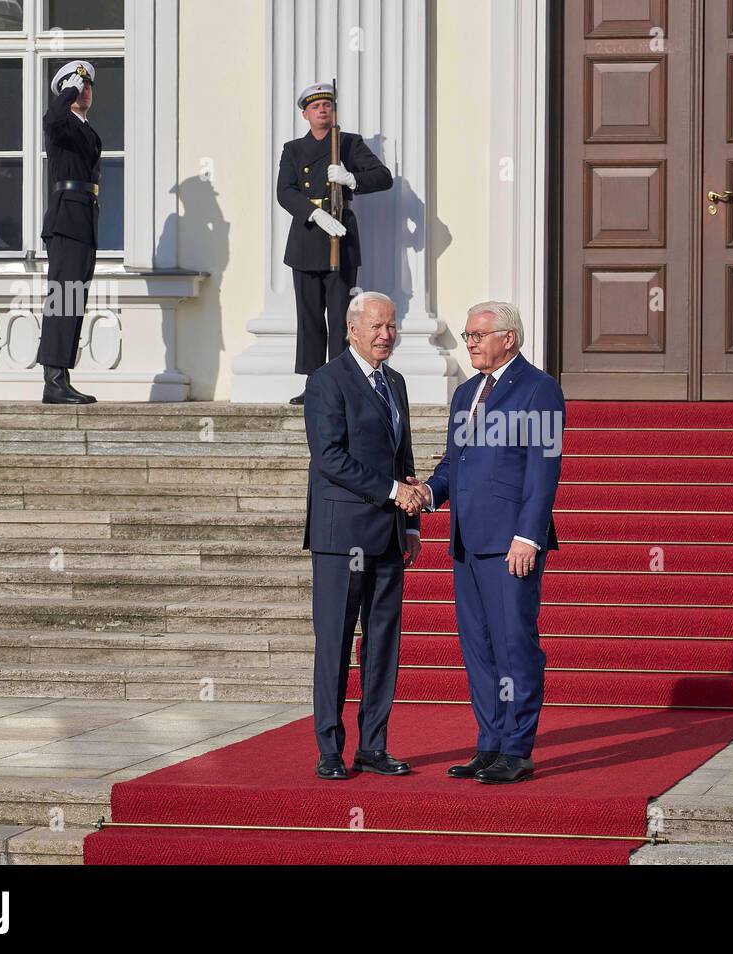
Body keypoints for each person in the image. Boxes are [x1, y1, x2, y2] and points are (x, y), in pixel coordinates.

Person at [411, 301, 565, 784]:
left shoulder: (539, 389)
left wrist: (528, 536)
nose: (470, 343)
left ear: (508, 338)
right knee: (478, 647)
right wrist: (428, 494)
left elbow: (544, 470)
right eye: (468, 335)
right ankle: (490, 742)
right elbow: (452, 464)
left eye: (478, 335)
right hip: (466, 540)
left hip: (510, 542)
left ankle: (517, 749)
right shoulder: (465, 393)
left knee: (514, 645)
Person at [302, 291, 426, 780]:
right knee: (335, 643)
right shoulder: (326, 381)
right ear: (352, 329)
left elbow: (403, 456)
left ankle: (373, 746)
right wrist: (394, 491)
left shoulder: (394, 382)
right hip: (342, 537)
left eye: (391, 326)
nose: (386, 335)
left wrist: (410, 523)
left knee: (383, 645)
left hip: (389, 535)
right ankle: (329, 750)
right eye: (377, 326)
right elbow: (329, 457)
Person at [277, 83, 394, 404]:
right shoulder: (293, 149)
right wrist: (315, 214)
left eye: (327, 105)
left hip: (340, 237)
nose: (322, 110)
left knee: (343, 315)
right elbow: (285, 191)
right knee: (309, 315)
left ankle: (345, 381)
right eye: (315, 106)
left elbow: (383, 177)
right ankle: (315, 383)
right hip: (307, 236)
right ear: (305, 114)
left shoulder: (348, 143)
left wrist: (351, 178)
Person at [39, 60, 102, 405]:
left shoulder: (86, 130)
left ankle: (61, 376)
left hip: (84, 220)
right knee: (62, 299)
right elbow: (51, 119)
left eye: (88, 86)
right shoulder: (60, 124)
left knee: (73, 300)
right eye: (79, 87)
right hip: (66, 220)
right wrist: (68, 92)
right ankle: (53, 381)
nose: (85, 91)